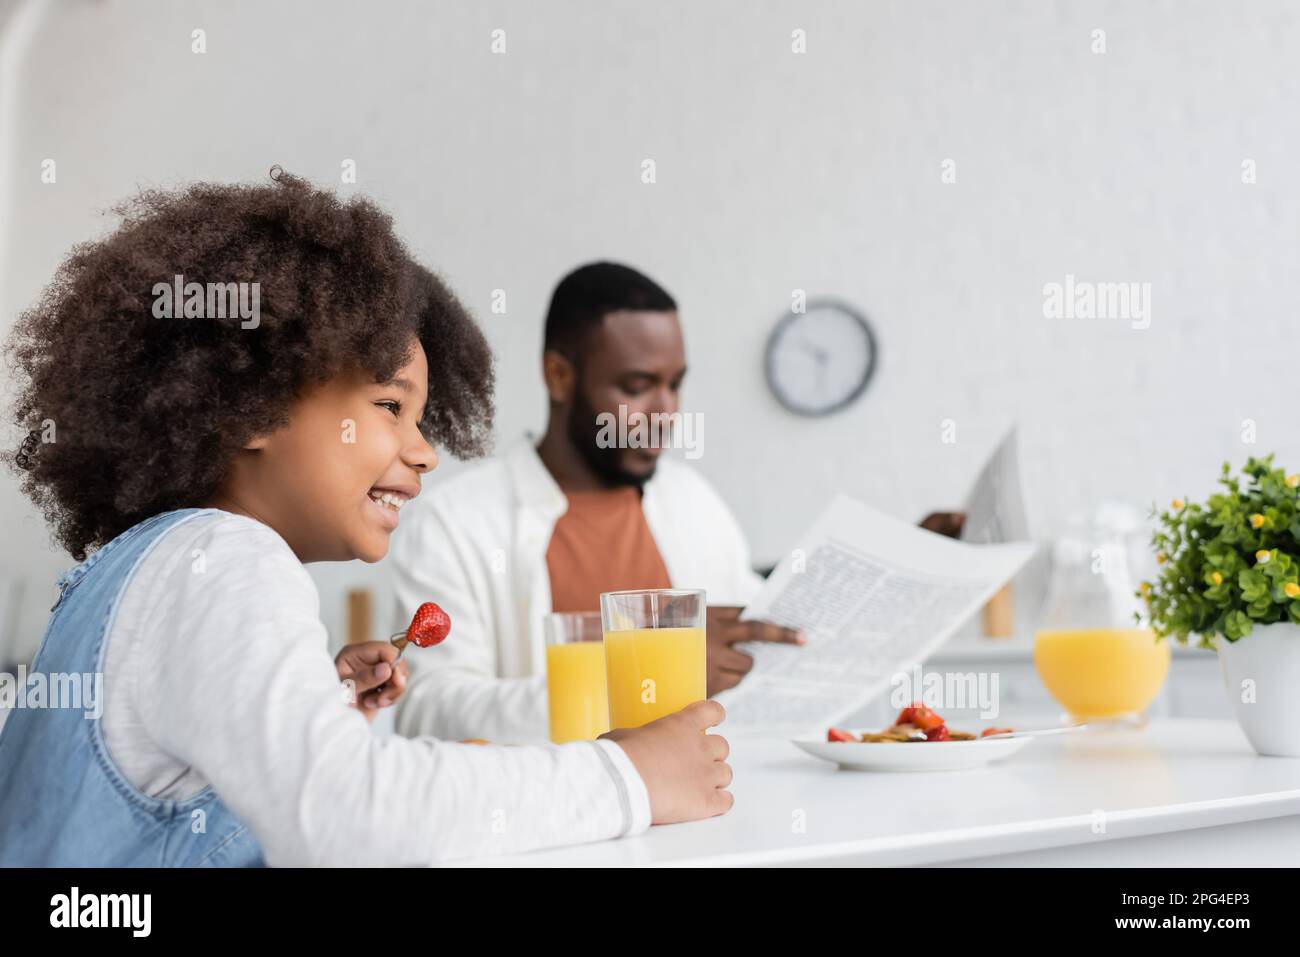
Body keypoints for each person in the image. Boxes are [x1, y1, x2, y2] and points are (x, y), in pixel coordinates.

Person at [0, 174, 730, 866]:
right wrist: (627, 775)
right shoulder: (225, 558)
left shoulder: (158, 560)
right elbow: (347, 817)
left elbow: (240, 794)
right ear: (253, 408)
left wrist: (324, 717)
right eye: (390, 407)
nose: (424, 452)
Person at [392, 262, 811, 744]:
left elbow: (756, 643)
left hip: (705, 811)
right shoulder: (456, 522)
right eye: (637, 387)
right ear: (559, 375)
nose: (666, 413)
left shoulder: (692, 501)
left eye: (675, 384)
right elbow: (428, 711)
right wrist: (651, 672)